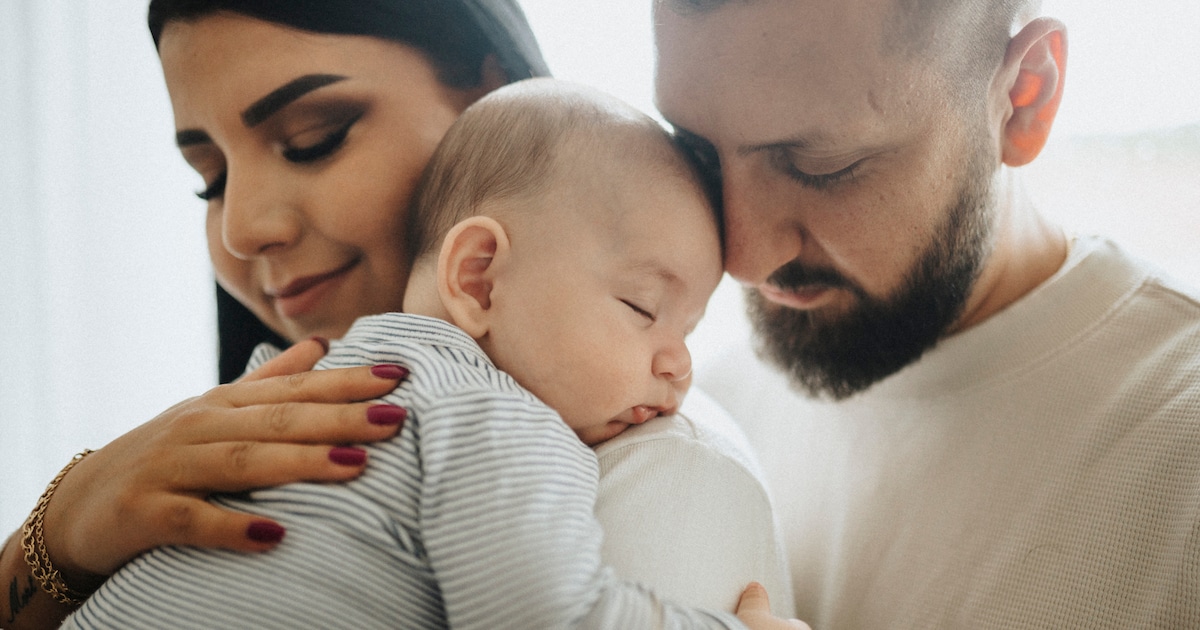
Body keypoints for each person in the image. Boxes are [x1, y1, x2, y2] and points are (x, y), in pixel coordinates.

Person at [0, 3, 790, 628]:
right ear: (473, 274)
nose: (240, 227)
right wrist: (58, 535)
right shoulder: (264, 415)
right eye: (207, 178)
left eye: (315, 137)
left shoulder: (656, 467)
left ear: (490, 93)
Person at [653, 0, 1200, 627]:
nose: (743, 260)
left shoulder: (1182, 461)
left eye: (822, 167)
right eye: (698, 155)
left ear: (1024, 98)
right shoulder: (699, 408)